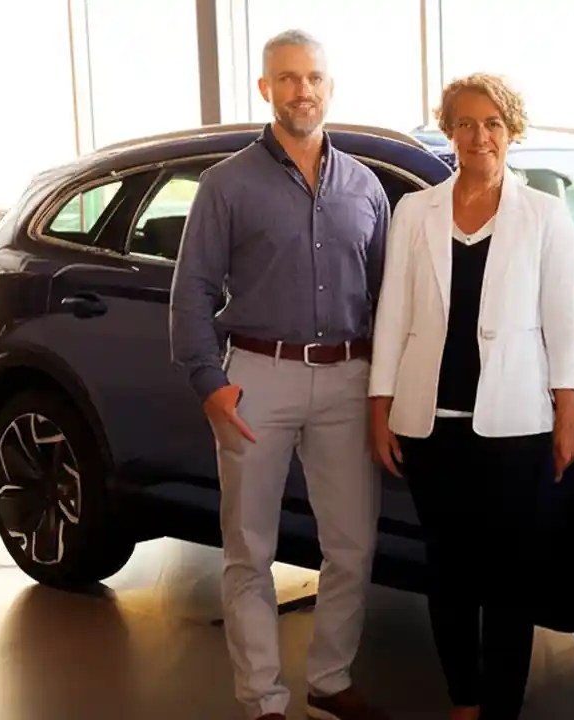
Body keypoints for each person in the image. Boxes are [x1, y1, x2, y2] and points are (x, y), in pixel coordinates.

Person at [169, 29, 391, 720]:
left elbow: (387, 298)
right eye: (288, 78)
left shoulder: (365, 187)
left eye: (314, 77)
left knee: (352, 545)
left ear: (330, 87)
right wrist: (211, 383)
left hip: (349, 377)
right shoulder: (226, 184)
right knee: (249, 550)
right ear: (266, 88)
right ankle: (263, 700)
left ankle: (330, 680)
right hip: (257, 379)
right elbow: (191, 290)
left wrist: (384, 389)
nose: (303, 90)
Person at [367, 73, 574, 720]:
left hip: (514, 425)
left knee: (510, 577)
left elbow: (562, 322)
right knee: (449, 572)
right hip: (431, 424)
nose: (478, 135)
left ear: (511, 132)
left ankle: (502, 707)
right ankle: (463, 700)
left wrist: (566, 415)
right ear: (449, 131)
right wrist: (379, 404)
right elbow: (393, 313)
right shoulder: (415, 212)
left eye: (492, 123)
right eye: (465, 123)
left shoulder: (544, 215)